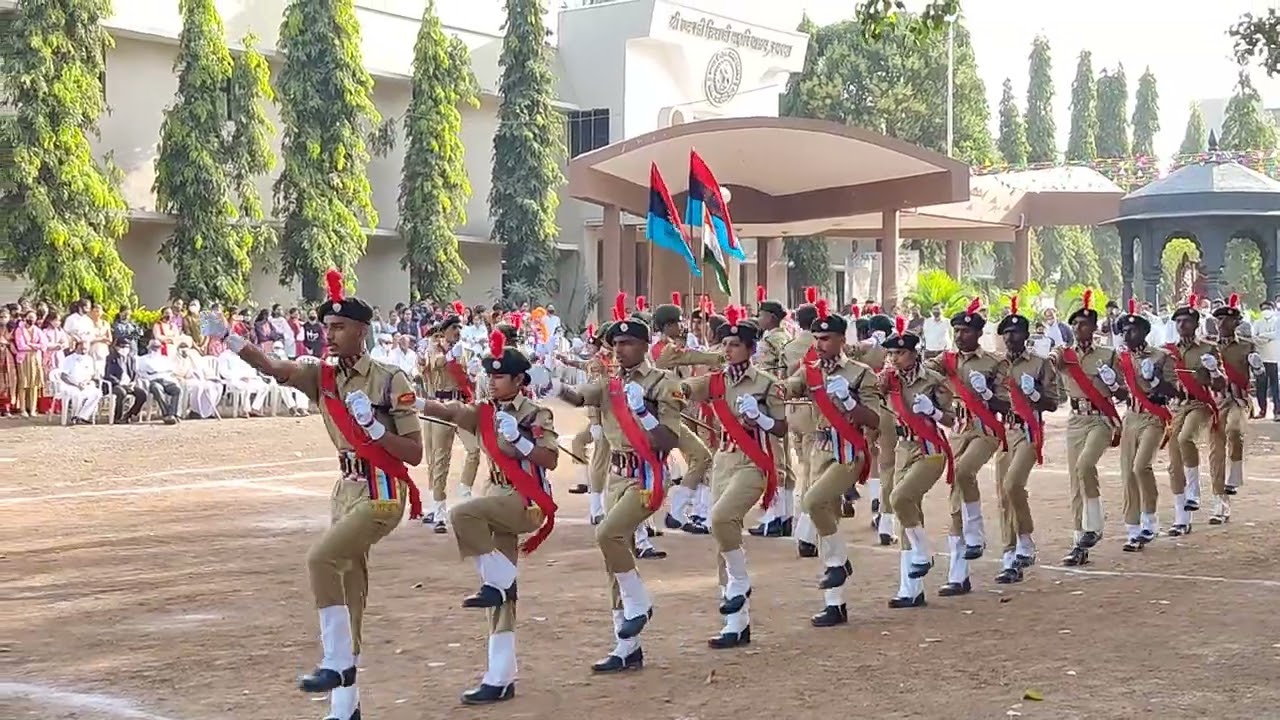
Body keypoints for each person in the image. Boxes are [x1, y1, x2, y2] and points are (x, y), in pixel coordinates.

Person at [201, 268, 423, 720]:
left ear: (362, 331)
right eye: (327, 327)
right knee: (349, 585)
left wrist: (375, 428)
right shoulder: (322, 377)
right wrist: (232, 339)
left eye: (341, 327)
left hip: (382, 492)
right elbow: (274, 367)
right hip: (346, 492)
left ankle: (335, 664)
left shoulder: (389, 380)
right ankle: (347, 706)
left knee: (321, 559)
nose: (331, 334)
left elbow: (415, 453)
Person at [419, 330, 558, 704]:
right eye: (489, 375)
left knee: (461, 513)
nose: (491, 381)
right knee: (500, 602)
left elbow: (551, 459)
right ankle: (500, 677)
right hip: (496, 498)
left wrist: (523, 441)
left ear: (518, 380)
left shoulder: (535, 414)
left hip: (525, 501)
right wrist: (411, 401)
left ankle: (501, 578)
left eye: (499, 376)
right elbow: (451, 411)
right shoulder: (484, 412)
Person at [546, 293, 682, 672]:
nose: (619, 350)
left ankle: (639, 603)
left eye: (627, 343)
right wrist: (552, 385)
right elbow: (577, 397)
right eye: (616, 344)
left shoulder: (663, 383)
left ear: (643, 345)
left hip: (648, 474)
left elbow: (670, 440)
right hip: (617, 476)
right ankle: (626, 645)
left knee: (607, 534)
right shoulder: (608, 382)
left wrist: (643, 412)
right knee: (612, 559)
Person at [682, 307, 787, 648]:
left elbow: (783, 428)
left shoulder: (766, 384)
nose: (727, 350)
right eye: (725, 343)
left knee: (720, 518)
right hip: (724, 462)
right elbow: (681, 390)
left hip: (753, 463)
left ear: (751, 349)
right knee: (723, 538)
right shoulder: (715, 381)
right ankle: (735, 623)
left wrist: (762, 419)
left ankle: (740, 583)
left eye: (735, 345)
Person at [781, 297, 882, 626]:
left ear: (842, 339)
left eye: (826, 338)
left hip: (848, 452)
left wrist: (850, 400)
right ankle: (835, 603)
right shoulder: (809, 371)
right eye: (816, 338)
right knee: (827, 519)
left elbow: (875, 419)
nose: (820, 344)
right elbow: (788, 388)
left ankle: (839, 564)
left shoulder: (860, 373)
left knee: (812, 502)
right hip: (818, 450)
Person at [925, 298, 1007, 596]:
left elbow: (1007, 403)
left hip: (986, 429)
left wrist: (987, 394)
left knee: (963, 472)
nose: (960, 336)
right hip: (958, 430)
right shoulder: (945, 361)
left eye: (966, 331)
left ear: (978, 333)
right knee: (954, 499)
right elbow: (921, 374)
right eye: (956, 330)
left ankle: (977, 533)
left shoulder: (995, 362)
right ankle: (958, 574)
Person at [879, 316, 955, 607]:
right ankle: (910, 588)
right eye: (891, 353)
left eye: (900, 353)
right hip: (903, 447)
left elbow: (952, 419)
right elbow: (871, 399)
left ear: (915, 353)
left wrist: (934, 412)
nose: (895, 358)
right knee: (907, 514)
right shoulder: (889, 380)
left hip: (930, 448)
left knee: (900, 498)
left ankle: (923, 552)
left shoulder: (933, 381)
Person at [1054, 290, 1123, 567]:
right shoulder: (1064, 355)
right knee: (1074, 482)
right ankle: (1078, 543)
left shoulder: (1109, 354)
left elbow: (1125, 393)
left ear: (1094, 328)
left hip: (1100, 419)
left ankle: (1095, 525)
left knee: (1085, 466)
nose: (1078, 329)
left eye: (1084, 324)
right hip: (1075, 419)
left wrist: (1114, 382)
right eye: (1075, 325)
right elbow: (1050, 360)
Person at [994, 297, 1059, 583]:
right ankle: (1012, 551)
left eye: (1016, 333)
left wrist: (1034, 396)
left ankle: (1025, 538)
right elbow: (992, 402)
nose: (1010, 337)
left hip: (1030, 429)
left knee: (1013, 484)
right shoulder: (995, 366)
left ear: (1025, 335)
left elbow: (1054, 403)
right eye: (1006, 333)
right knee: (1003, 494)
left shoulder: (1040, 364)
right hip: (1005, 432)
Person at [649, 293, 721, 535]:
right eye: (679, 321)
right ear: (669, 324)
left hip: (664, 414)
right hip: (664, 417)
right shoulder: (667, 349)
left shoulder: (658, 348)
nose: (682, 325)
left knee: (660, 468)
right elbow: (694, 356)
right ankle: (675, 513)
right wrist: (724, 357)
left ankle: (675, 513)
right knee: (701, 457)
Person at [1113, 299, 1175, 549]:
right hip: (1132, 416)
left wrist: (1155, 379)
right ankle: (1133, 528)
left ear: (1144, 332)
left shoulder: (1161, 356)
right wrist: (1111, 384)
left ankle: (1150, 518)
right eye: (1124, 331)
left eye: (1133, 330)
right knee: (1127, 472)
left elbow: (1174, 390)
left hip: (1154, 416)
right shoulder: (1120, 359)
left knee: (1141, 467)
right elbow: (1119, 391)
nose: (1128, 334)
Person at [1164, 294, 1220, 536]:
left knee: (1186, 438)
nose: (1182, 325)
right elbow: (1163, 384)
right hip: (1178, 406)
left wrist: (1214, 370)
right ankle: (1181, 517)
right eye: (1178, 322)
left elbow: (1220, 386)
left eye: (1186, 321)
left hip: (1200, 404)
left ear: (1196, 324)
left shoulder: (1209, 348)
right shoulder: (1168, 352)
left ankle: (1195, 492)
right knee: (1174, 464)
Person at [1207, 295, 1261, 524]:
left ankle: (1235, 475)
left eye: (1227, 321)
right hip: (1215, 402)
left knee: (1234, 431)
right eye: (1219, 321)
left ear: (1236, 323)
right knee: (1216, 453)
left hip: (1238, 400)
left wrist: (1257, 368)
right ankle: (1220, 503)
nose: (1222, 325)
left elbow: (1257, 376)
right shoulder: (1208, 346)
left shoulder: (1247, 345)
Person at [422, 307, 476, 530]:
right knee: (439, 459)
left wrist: (472, 371)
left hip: (460, 406)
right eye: (454, 328)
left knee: (474, 449)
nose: (458, 331)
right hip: (440, 406)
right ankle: (439, 510)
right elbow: (436, 364)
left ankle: (464, 491)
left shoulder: (463, 351)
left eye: (459, 327)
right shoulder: (433, 349)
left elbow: (468, 378)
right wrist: (450, 355)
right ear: (443, 332)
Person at [752, 288, 797, 538]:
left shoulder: (774, 338)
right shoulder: (780, 334)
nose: (758, 319)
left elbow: (784, 363)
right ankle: (785, 514)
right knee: (783, 460)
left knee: (775, 457)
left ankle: (776, 516)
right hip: (777, 396)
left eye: (761, 315)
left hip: (770, 397)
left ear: (770, 317)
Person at [782, 290, 821, 558]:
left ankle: (801, 521)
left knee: (803, 464)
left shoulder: (789, 345)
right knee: (812, 469)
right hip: (814, 410)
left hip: (792, 409)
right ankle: (807, 530)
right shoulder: (822, 345)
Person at [217, 343, 272, 417]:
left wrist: (249, 376)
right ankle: (245, 410)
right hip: (233, 380)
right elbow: (223, 371)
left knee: (264, 387)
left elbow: (250, 368)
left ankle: (255, 408)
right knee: (245, 387)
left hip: (247, 378)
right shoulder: (224, 356)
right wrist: (239, 377)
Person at [58, 339, 104, 425]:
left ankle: (82, 416)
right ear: (76, 348)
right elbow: (64, 376)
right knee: (77, 395)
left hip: (84, 384)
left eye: (85, 349)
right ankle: (74, 416)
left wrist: (85, 383)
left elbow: (90, 375)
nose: (84, 350)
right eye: (82, 348)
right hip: (70, 385)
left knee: (97, 393)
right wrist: (76, 384)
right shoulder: (69, 359)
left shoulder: (89, 359)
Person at [103, 337, 148, 423]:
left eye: (127, 347)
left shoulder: (131, 359)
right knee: (121, 392)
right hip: (115, 385)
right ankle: (118, 417)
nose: (125, 349)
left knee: (142, 394)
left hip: (128, 384)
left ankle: (130, 414)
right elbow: (108, 375)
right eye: (122, 346)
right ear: (116, 347)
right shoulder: (111, 358)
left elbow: (135, 373)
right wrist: (119, 383)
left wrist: (133, 383)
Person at [137, 338, 183, 424]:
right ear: (149, 347)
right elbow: (141, 373)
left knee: (177, 390)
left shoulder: (165, 359)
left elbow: (171, 370)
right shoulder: (142, 359)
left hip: (166, 380)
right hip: (152, 381)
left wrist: (159, 371)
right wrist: (154, 372)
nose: (155, 349)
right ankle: (166, 414)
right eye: (153, 347)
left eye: (157, 347)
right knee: (157, 389)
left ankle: (173, 414)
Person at [175, 340, 225, 419]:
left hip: (200, 379)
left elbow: (202, 368)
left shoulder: (194, 356)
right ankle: (196, 411)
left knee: (215, 386)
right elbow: (178, 371)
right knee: (198, 387)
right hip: (186, 380)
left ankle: (208, 412)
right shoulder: (176, 358)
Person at [14, 310, 47, 417]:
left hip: (35, 359)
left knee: (34, 384)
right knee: (23, 384)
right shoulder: (19, 330)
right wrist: (34, 346)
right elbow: (21, 346)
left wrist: (31, 345)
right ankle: (23, 408)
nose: (31, 319)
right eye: (29, 317)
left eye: (33, 317)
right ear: (25, 317)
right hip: (23, 359)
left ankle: (33, 409)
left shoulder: (37, 330)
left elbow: (43, 345)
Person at [1252, 300, 1280, 419]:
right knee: (1261, 385)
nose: (1266, 311)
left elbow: (1277, 334)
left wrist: (1263, 336)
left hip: (1274, 357)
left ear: (1273, 309)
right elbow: (1254, 336)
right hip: (1261, 357)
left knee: (1275, 385)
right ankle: (1262, 410)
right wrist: (1265, 338)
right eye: (1263, 309)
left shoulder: (1277, 321)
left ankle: (1277, 411)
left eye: (1268, 308)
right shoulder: (1258, 322)